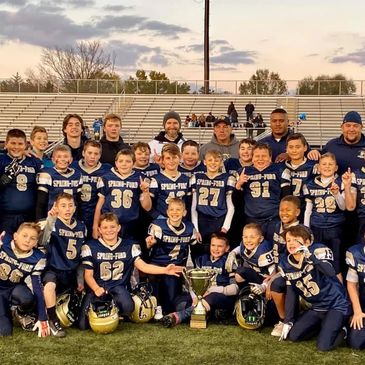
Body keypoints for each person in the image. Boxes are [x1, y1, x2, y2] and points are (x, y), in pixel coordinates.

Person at [79, 212, 183, 330]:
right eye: (105, 227)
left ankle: (113, 310)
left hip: (118, 288)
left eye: (112, 227)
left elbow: (143, 266)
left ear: (119, 228)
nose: (109, 230)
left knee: (129, 307)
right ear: (99, 230)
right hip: (97, 289)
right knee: (83, 325)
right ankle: (101, 307)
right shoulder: (90, 246)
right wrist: (96, 289)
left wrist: (165, 270)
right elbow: (88, 275)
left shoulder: (129, 245)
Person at [279, 225, 350, 352]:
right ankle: (325, 327)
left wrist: (311, 257)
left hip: (336, 305)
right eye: (288, 240)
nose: (291, 243)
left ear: (307, 242)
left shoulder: (318, 250)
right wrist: (288, 320)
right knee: (294, 336)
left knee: (323, 346)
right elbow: (292, 291)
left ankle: (344, 330)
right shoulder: (285, 262)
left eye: (295, 239)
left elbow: (330, 272)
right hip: (317, 307)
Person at [161, 232, 238, 327]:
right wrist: (195, 297)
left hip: (220, 296)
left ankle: (179, 316)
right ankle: (211, 313)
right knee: (180, 303)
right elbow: (193, 283)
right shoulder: (201, 260)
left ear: (227, 248)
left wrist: (212, 290)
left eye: (220, 246)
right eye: (213, 245)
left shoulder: (229, 262)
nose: (215, 249)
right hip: (201, 295)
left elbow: (235, 289)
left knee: (212, 297)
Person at [41, 193, 86, 337]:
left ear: (75, 208)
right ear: (56, 207)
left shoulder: (81, 226)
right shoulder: (51, 222)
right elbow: (42, 241)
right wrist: (50, 219)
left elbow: (81, 257)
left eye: (70, 205)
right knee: (49, 286)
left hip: (71, 271)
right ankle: (53, 320)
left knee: (80, 318)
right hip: (53, 268)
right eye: (63, 206)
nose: (67, 209)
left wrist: (80, 279)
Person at [146, 198, 197, 317]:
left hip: (175, 267)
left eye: (178, 210)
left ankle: (167, 305)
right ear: (167, 212)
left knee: (170, 305)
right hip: (157, 264)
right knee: (153, 277)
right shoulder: (158, 225)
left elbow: (193, 249)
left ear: (184, 212)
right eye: (172, 210)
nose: (175, 212)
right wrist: (149, 243)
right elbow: (147, 249)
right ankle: (156, 305)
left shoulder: (190, 228)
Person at [0, 222, 49, 337]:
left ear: (36, 243)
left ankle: (20, 312)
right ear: (15, 236)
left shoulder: (37, 258)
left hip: (13, 289)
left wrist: (43, 318)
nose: (28, 240)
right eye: (24, 236)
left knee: (27, 298)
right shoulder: (3, 241)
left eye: (32, 238)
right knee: (5, 332)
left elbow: (37, 288)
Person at [303, 153, 346, 278]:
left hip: (334, 227)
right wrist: (307, 231)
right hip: (316, 227)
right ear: (318, 167)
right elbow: (308, 210)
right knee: (316, 260)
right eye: (324, 164)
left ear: (336, 167)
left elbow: (343, 207)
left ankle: (340, 293)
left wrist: (337, 194)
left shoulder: (341, 182)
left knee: (336, 263)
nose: (327, 167)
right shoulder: (310, 184)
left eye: (330, 164)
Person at [93, 149, 152, 240]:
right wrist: (95, 226)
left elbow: (147, 207)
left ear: (133, 163)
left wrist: (145, 191)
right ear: (116, 163)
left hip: (132, 225)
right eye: (121, 161)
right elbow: (99, 205)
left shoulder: (139, 178)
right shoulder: (106, 178)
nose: (124, 164)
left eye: (128, 161)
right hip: (109, 224)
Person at [235, 143, 290, 240]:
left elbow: (286, 196)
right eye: (257, 156)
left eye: (264, 156)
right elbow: (236, 201)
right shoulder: (244, 171)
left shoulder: (279, 170)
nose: (260, 159)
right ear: (252, 158)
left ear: (270, 157)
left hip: (273, 219)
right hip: (251, 219)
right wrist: (239, 184)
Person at [191, 150, 235, 259]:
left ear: (221, 162)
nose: (213, 163)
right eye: (210, 160)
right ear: (204, 162)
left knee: (219, 253)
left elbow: (231, 206)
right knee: (199, 253)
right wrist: (195, 228)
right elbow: (193, 206)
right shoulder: (196, 178)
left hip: (219, 220)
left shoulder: (227, 178)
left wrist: (225, 227)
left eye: (216, 160)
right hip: (201, 220)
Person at [0, 129, 43, 234]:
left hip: (29, 216)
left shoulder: (34, 162)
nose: (16, 147)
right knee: (5, 246)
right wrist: (6, 177)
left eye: (20, 144)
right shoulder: (2, 160)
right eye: (13, 143)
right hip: (6, 216)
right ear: (6, 144)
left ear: (26, 145)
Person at [72, 140, 110, 237]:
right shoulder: (73, 166)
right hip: (76, 213)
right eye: (89, 153)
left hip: (96, 214)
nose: (92, 156)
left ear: (100, 155)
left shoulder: (107, 170)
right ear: (83, 153)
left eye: (96, 153)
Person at [36, 144, 83, 220]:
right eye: (59, 156)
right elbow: (41, 203)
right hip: (53, 218)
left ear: (70, 159)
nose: (62, 159)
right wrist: (40, 221)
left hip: (71, 217)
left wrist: (80, 219)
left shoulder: (77, 174)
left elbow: (79, 202)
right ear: (53, 159)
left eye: (65, 156)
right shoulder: (46, 174)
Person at [149, 143, 192, 219]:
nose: (171, 161)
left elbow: (189, 204)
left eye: (174, 157)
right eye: (168, 158)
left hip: (181, 221)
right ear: (162, 160)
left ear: (180, 158)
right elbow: (150, 206)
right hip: (162, 220)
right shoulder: (155, 180)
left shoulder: (186, 179)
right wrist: (159, 217)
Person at [346, 240, 365, 349]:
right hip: (363, 306)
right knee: (355, 342)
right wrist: (357, 311)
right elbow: (352, 285)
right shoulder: (356, 253)